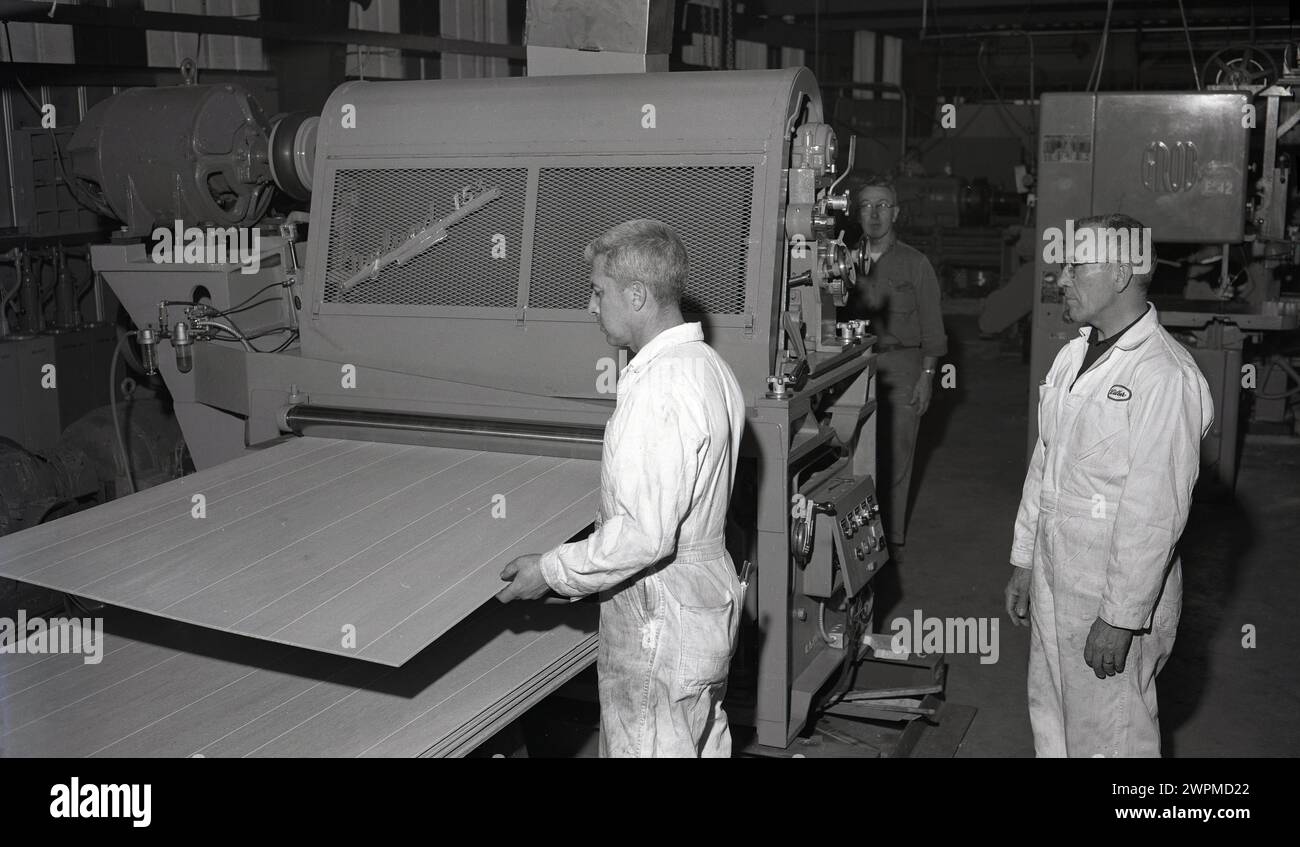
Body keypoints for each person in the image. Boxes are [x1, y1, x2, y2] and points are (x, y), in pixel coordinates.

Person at [496, 219, 746, 758]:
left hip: (661, 621)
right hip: (701, 605)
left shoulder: (659, 387)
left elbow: (643, 536)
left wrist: (550, 571)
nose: (591, 306)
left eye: (598, 291)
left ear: (636, 295)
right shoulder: (709, 366)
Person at [1003, 213, 1213, 757]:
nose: (1061, 277)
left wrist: (1119, 619)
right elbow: (1044, 465)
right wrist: (1026, 559)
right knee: (1052, 721)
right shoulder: (1074, 354)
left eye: (1076, 265)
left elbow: (1154, 513)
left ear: (1121, 272)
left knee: (1110, 740)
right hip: (1057, 579)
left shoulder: (1164, 376)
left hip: (1109, 599)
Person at [838, 174, 947, 561]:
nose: (875, 214)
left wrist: (928, 378)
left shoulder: (916, 264)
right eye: (866, 206)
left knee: (896, 458)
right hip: (853, 368)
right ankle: (857, 541)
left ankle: (890, 540)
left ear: (896, 213)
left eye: (882, 206)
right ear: (856, 214)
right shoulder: (841, 263)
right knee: (850, 455)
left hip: (902, 368)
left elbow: (934, 330)